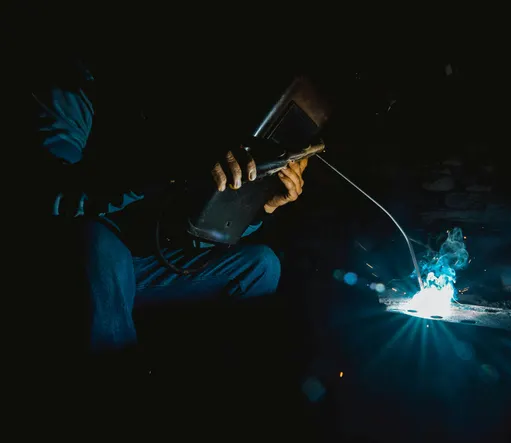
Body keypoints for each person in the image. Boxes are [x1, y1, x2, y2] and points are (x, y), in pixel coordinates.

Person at [30, 56, 309, 354]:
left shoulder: (173, 99)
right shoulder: (74, 86)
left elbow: (184, 226)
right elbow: (56, 196)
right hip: (84, 253)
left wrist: (260, 205)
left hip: (145, 260)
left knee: (261, 267)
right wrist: (161, 168)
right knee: (100, 244)